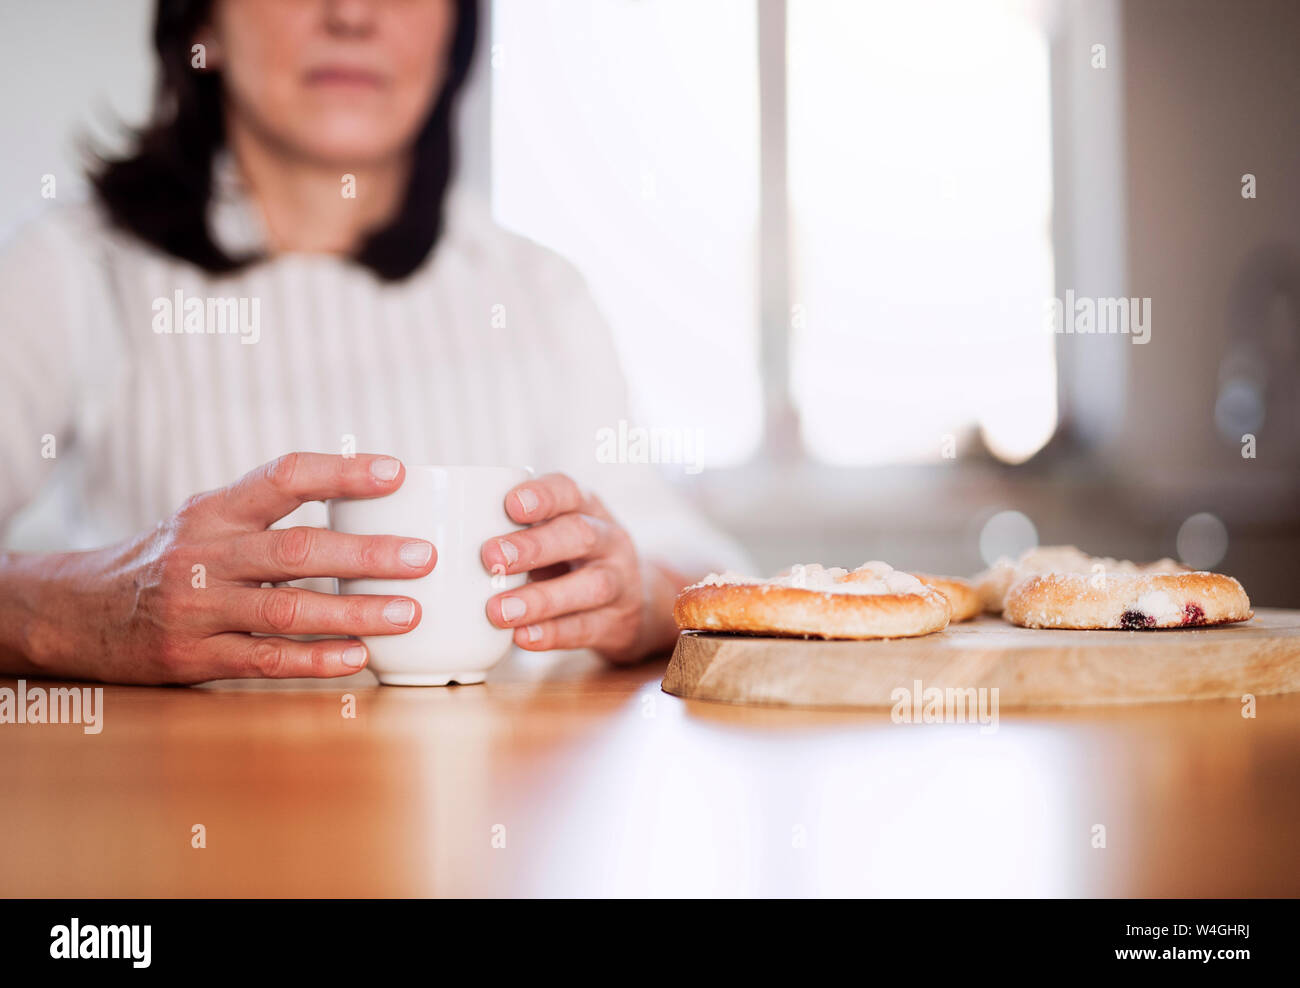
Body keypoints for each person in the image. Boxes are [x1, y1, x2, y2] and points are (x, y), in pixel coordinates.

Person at [0, 0, 748, 685]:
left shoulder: (537, 292)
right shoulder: (73, 270)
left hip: (483, 818)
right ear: (202, 28)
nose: (353, 14)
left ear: (455, 33)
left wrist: (636, 597)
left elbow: (700, 571)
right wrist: (86, 612)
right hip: (173, 818)